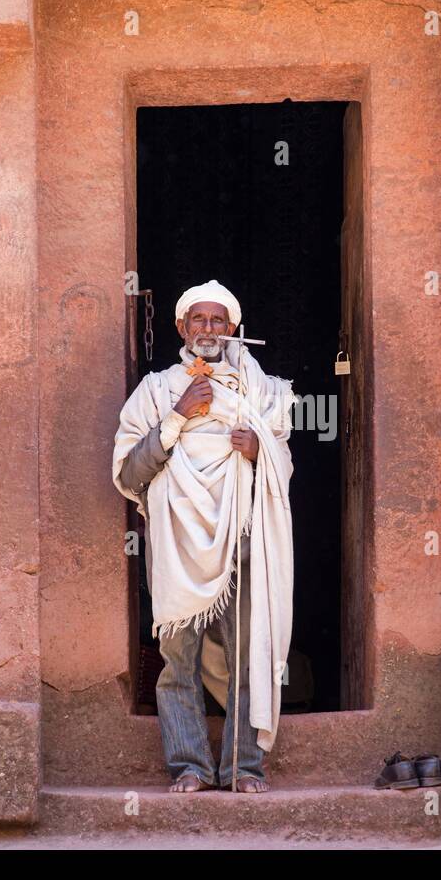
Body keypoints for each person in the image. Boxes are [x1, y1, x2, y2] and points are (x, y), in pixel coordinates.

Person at [112, 279, 296, 793]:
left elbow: (284, 466)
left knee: (246, 654)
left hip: (241, 537)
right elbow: (129, 474)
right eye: (199, 320)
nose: (208, 329)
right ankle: (190, 765)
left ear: (233, 329)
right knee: (177, 660)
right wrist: (177, 417)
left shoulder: (261, 393)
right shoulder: (156, 391)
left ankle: (243, 768)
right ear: (181, 328)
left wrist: (259, 451)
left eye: (218, 321)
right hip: (178, 544)